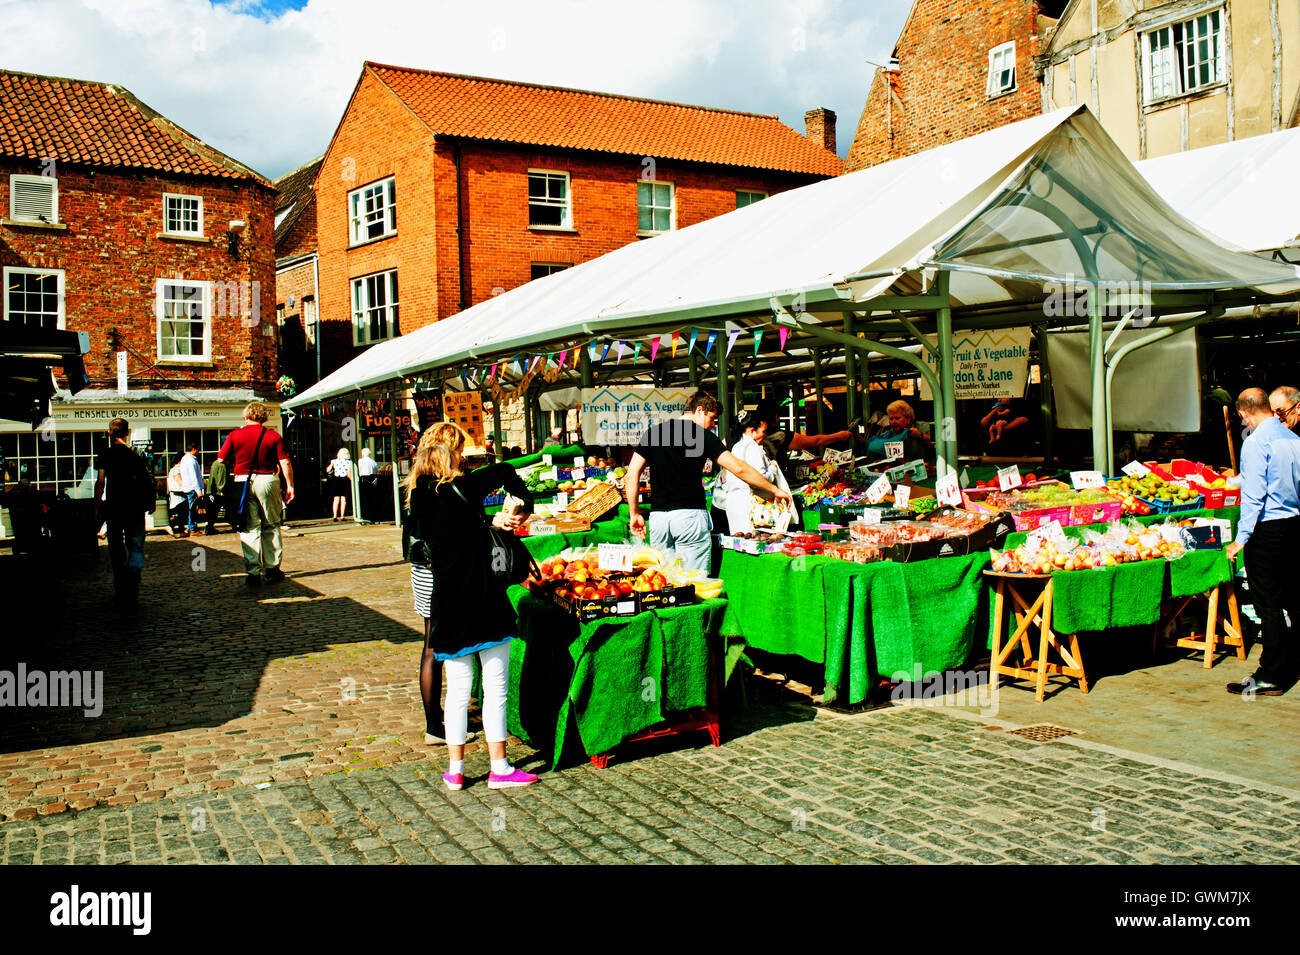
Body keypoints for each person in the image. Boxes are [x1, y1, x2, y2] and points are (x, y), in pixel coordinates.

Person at [404, 421, 537, 791]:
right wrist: (523, 503)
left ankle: (456, 770)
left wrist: (486, 521)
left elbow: (460, 529)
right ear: (450, 461)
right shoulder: (465, 487)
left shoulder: (418, 500)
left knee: (459, 692)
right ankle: (500, 767)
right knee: (495, 689)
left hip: (446, 605)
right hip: (483, 601)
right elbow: (507, 470)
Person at [626, 391, 793, 573]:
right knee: (694, 583)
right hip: (689, 517)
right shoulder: (700, 436)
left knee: (662, 582)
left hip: (659, 520)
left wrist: (634, 513)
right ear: (699, 410)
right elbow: (738, 468)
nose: (713, 425)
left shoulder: (654, 432)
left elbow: (632, 474)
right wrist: (774, 489)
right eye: (712, 418)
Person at [1224, 387, 1300, 697]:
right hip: (1294, 525)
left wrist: (1240, 540)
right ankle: (1289, 662)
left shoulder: (1255, 443)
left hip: (1267, 530)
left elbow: (1254, 497)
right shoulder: (1293, 440)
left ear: (1243, 414)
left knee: (1268, 604)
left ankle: (1271, 673)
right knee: (1294, 600)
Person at [218, 402, 295, 588]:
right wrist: (290, 486)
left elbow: (220, 460)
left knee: (248, 527)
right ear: (263, 417)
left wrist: (222, 485)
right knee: (271, 524)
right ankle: (272, 568)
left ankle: (253, 572)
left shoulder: (234, 436)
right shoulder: (273, 435)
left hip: (241, 481)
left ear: (246, 417)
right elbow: (284, 463)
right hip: (267, 480)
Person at [94, 418, 154, 611]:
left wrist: (96, 505)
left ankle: (120, 584)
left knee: (116, 548)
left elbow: (101, 481)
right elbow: (147, 479)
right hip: (134, 507)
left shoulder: (105, 454)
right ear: (127, 433)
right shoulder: (136, 455)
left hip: (114, 507)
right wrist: (150, 502)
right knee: (136, 546)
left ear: (109, 433)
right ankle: (133, 578)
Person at [712, 412, 787, 536]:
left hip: (734, 504)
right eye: (763, 431)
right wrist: (773, 468)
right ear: (753, 431)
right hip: (751, 506)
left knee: (740, 543)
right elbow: (760, 479)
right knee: (753, 541)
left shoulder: (736, 446)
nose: (765, 435)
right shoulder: (752, 447)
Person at [752, 398, 860, 475]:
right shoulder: (780, 436)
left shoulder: (750, 434)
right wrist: (840, 435)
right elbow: (815, 441)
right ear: (775, 417)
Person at [866, 400, 934, 462]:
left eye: (897, 418)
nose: (893, 422)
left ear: (908, 419)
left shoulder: (923, 427)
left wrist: (920, 435)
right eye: (891, 419)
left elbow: (939, 443)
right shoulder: (889, 434)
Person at [180, 441, 204, 536]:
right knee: (193, 509)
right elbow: (194, 476)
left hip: (188, 487)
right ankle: (192, 528)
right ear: (193, 449)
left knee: (191, 508)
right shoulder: (191, 460)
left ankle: (191, 527)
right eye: (198, 449)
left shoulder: (185, 459)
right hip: (192, 488)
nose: (198, 451)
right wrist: (198, 491)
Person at [326, 448, 352, 521]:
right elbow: (349, 473)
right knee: (344, 499)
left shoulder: (334, 461)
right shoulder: (349, 462)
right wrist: (352, 481)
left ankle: (334, 516)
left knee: (336, 499)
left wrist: (331, 465)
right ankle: (342, 516)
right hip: (345, 480)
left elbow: (328, 470)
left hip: (336, 480)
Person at [165, 457, 189, 537]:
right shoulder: (177, 469)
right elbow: (179, 480)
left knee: (179, 514)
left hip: (174, 494)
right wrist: (186, 488)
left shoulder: (172, 469)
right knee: (181, 513)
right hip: (179, 495)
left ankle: (181, 530)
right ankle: (170, 526)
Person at [205, 454, 228, 534]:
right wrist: (222, 490)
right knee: (215, 510)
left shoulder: (215, 463)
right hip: (217, 491)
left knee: (211, 510)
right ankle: (210, 528)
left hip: (211, 490)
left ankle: (209, 527)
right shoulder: (222, 465)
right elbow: (221, 478)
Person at [357, 447, 379, 522]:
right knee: (371, 498)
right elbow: (377, 469)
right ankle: (371, 515)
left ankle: (364, 515)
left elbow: (357, 470)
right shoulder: (373, 461)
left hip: (363, 479)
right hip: (371, 479)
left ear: (362, 454)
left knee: (363, 498)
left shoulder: (360, 461)